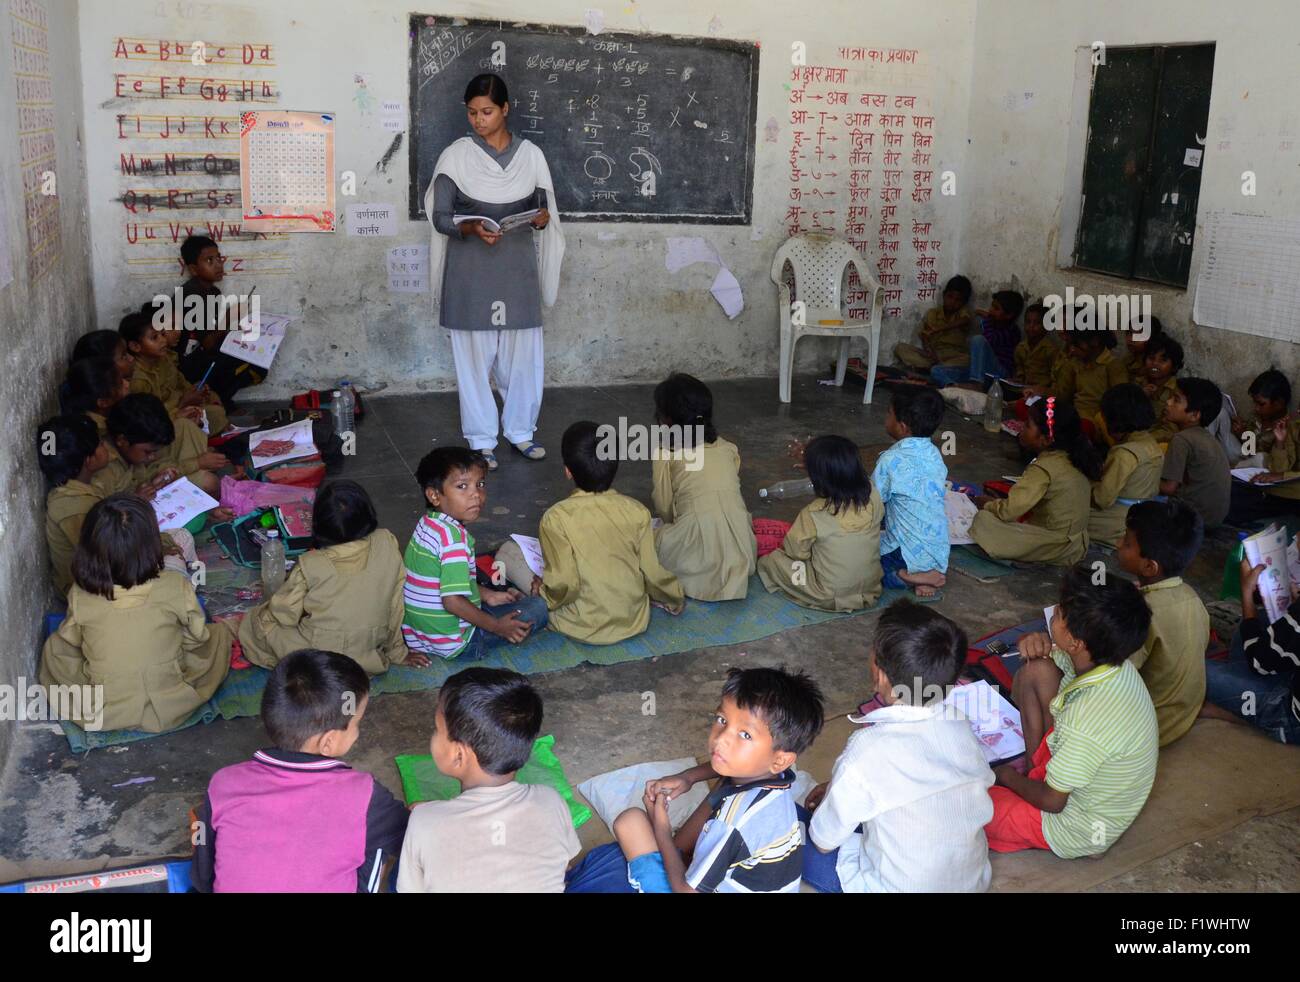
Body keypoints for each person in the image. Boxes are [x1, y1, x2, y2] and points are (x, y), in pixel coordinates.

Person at [565, 666, 824, 893]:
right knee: (724, 786)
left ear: (780, 759)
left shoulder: (733, 824)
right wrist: (687, 777)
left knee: (629, 822)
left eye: (745, 735)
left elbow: (686, 891)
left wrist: (661, 830)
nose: (721, 738)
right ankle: (680, 853)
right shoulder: (776, 775)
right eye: (722, 720)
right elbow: (727, 771)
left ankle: (673, 849)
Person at [424, 73, 565, 470]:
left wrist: (539, 219)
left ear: (505, 109)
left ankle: (521, 432)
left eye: (487, 111)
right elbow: (440, 217)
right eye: (472, 113)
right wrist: (467, 226)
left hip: (517, 268)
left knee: (523, 355)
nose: (479, 120)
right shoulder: (456, 156)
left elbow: (544, 208)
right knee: (473, 359)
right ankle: (481, 439)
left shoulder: (531, 156)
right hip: (470, 271)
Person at [802, 600, 994, 893]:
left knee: (787, 834)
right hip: (970, 883)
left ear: (879, 675)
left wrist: (835, 796)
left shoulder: (867, 749)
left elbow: (823, 841)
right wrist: (839, 787)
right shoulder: (959, 724)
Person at [190, 649, 408, 892]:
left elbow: (202, 876)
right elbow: (412, 836)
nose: (358, 732)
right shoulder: (365, 795)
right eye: (357, 723)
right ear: (329, 742)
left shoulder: (223, 783)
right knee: (378, 839)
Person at [985, 565, 1157, 857]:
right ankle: (1034, 772)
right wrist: (1038, 644)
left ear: (1075, 642)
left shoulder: (1086, 719)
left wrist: (1006, 777)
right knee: (1035, 672)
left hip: (1071, 824)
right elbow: (1057, 662)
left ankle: (1086, 844)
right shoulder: (1114, 664)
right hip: (1099, 793)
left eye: (1060, 612)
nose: (1054, 611)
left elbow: (1054, 802)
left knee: (970, 803)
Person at [40, 494, 231, 733]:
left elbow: (72, 641)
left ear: (88, 548)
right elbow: (197, 638)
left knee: (54, 649)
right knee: (218, 636)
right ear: (152, 545)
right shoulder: (174, 584)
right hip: (172, 702)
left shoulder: (81, 594)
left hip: (104, 710)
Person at [397, 668, 580, 892]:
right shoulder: (551, 801)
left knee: (403, 864)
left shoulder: (423, 822)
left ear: (459, 755)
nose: (433, 736)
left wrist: (427, 815)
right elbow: (564, 865)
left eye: (437, 730)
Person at [521, 421, 684, 643]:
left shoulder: (555, 518)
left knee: (509, 555)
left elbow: (565, 584)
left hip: (578, 624)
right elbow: (651, 570)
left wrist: (543, 593)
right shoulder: (636, 510)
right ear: (615, 466)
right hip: (633, 619)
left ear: (568, 471)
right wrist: (673, 596)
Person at [238, 481, 425, 672]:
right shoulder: (386, 541)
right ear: (368, 513)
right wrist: (398, 652)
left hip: (320, 654)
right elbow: (395, 606)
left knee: (259, 620)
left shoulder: (310, 562)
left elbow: (285, 615)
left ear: (318, 523)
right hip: (367, 650)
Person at [402, 447, 549, 659]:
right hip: (459, 642)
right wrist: (497, 626)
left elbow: (443, 583)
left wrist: (488, 595)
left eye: (480, 484)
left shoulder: (427, 524)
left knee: (496, 591)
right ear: (434, 495)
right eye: (462, 486)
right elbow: (452, 601)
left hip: (420, 636)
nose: (475, 495)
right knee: (538, 607)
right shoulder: (454, 540)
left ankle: (489, 601)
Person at [647, 373, 756, 601]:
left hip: (693, 545)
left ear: (666, 420)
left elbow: (664, 505)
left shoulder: (666, 453)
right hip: (741, 547)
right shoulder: (728, 448)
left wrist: (670, 530)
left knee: (643, 538)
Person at [1117, 499, 1208, 746]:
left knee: (1047, 677)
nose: (1118, 545)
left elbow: (1113, 675)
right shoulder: (1192, 597)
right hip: (1183, 715)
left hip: (1149, 728)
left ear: (1149, 566)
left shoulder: (1143, 613)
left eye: (1126, 543)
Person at [758, 434, 884, 611]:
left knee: (773, 561)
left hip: (828, 595)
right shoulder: (873, 495)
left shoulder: (813, 513)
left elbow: (796, 552)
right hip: (870, 589)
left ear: (817, 480)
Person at [969, 397, 1100, 565]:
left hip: (1056, 546)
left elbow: (1009, 511)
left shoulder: (1044, 467)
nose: (1021, 429)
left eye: (1028, 426)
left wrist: (987, 504)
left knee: (983, 520)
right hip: (1077, 545)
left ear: (1046, 439)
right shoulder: (1073, 457)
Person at [1200, 546, 1300, 744]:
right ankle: (1237, 689)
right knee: (1261, 620)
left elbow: (1259, 662)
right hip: (1290, 676)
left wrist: (1246, 593)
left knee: (1190, 670)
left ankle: (1255, 717)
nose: (1295, 537)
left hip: (1290, 715)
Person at [873, 387, 949, 597]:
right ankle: (927, 576)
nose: (886, 417)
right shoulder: (935, 454)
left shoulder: (889, 460)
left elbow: (873, 504)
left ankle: (906, 576)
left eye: (889, 413)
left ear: (903, 427)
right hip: (938, 553)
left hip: (903, 554)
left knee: (862, 563)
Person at [175, 235, 264, 405]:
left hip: (201, 354)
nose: (218, 264)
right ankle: (220, 402)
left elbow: (210, 332)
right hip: (186, 364)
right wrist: (229, 319)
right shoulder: (191, 295)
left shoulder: (212, 292)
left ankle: (219, 399)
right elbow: (207, 343)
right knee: (252, 361)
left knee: (251, 347)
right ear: (194, 269)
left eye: (218, 258)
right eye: (209, 260)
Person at [93, 393, 224, 497]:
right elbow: (106, 517)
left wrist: (154, 482)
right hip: (135, 514)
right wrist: (137, 499)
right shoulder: (106, 468)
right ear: (122, 440)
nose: (153, 457)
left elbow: (145, 475)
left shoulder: (133, 450)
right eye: (148, 452)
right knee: (209, 483)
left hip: (146, 490)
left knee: (185, 425)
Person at [120, 310, 230, 434]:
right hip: (166, 422)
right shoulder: (138, 380)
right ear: (135, 346)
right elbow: (149, 421)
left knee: (215, 410)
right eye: (154, 337)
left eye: (162, 334)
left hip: (181, 409)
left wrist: (196, 391)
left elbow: (182, 383)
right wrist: (183, 404)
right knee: (188, 424)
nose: (163, 340)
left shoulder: (164, 359)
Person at [38, 414, 110, 598]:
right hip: (89, 591)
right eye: (101, 444)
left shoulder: (83, 487)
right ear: (89, 460)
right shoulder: (74, 505)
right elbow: (102, 560)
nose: (106, 446)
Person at [1088, 383, 1163, 547]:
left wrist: (1086, 484)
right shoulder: (1152, 444)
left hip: (1118, 524)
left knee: (1064, 512)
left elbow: (1102, 499)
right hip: (1142, 520)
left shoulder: (1124, 453)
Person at [1159, 377, 1231, 529]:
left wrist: (1142, 475)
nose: (1168, 402)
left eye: (1176, 400)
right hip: (1214, 520)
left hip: (1189, 520)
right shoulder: (1207, 438)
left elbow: (1169, 488)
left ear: (1194, 415)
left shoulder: (1181, 439)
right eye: (1170, 397)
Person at [894, 274, 974, 383]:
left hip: (955, 356)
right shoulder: (933, 313)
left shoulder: (963, 313)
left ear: (963, 302)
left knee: (968, 360)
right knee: (901, 348)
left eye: (958, 300)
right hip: (934, 355)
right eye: (950, 297)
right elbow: (924, 334)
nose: (953, 302)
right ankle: (934, 369)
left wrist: (938, 329)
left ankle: (933, 370)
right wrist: (928, 349)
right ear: (944, 295)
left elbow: (965, 320)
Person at [967, 289, 1024, 381]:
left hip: (1000, 374)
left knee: (978, 340)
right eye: (992, 306)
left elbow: (990, 339)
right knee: (937, 371)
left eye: (996, 309)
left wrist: (987, 318)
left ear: (1009, 315)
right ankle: (975, 382)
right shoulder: (994, 323)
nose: (991, 310)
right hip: (984, 371)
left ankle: (976, 383)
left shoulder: (1012, 331)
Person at [1140, 333, 1183, 442]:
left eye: (1163, 360)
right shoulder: (1139, 382)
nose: (1155, 364)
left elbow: (1170, 431)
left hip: (1155, 441)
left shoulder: (1176, 392)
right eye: (1151, 358)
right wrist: (1139, 396)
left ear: (1174, 366)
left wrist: (1141, 439)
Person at [1011, 302, 1060, 388]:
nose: (1031, 326)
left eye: (1037, 323)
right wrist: (1019, 379)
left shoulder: (1051, 350)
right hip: (1024, 389)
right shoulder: (1020, 347)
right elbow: (1020, 369)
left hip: (1041, 392)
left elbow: (1055, 379)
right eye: (1028, 322)